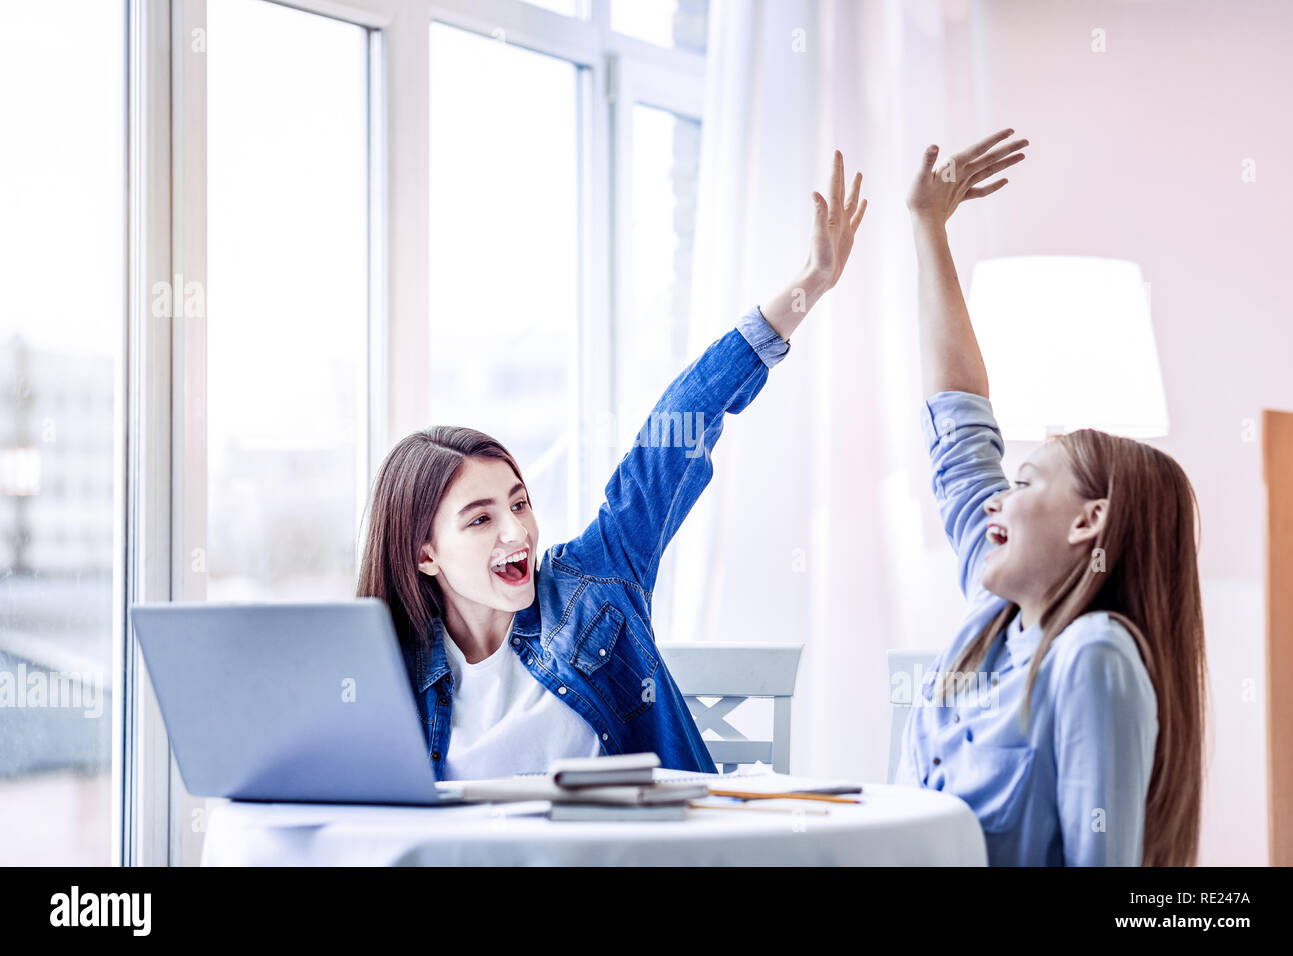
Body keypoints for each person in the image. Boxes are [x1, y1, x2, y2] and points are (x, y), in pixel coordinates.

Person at [356, 151, 869, 782]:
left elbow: (674, 432)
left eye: (518, 503)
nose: (516, 532)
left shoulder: (593, 587)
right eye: (480, 518)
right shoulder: (390, 678)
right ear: (424, 553)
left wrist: (808, 285)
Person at [895, 128, 1207, 866]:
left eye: (1026, 481)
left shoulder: (1091, 659)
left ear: (1089, 521)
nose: (996, 498)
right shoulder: (994, 610)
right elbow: (959, 419)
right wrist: (927, 229)